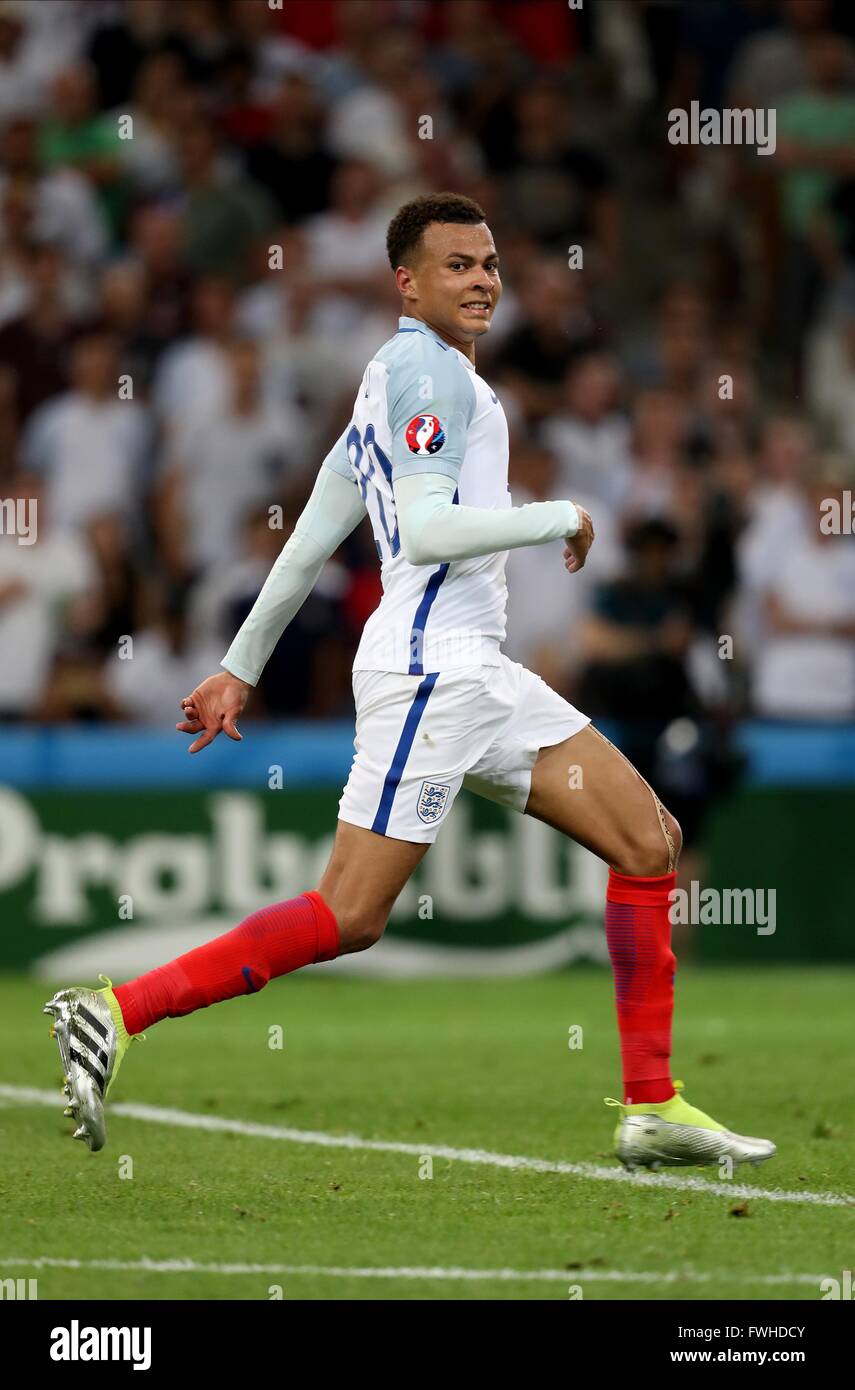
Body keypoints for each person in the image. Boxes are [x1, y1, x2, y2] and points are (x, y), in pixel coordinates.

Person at [45, 193, 774, 1173]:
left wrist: (236, 666)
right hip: (433, 673)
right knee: (350, 915)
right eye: (457, 265)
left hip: (480, 673)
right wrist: (553, 513)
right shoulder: (428, 375)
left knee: (649, 842)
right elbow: (426, 532)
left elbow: (313, 535)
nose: (481, 280)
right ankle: (111, 1011)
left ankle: (651, 1106)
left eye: (488, 263)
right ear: (407, 282)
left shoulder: (399, 379)